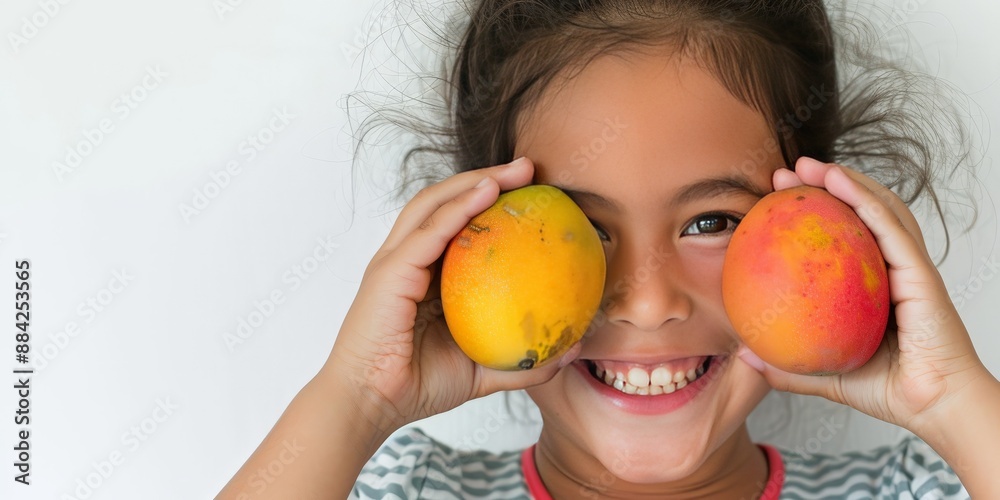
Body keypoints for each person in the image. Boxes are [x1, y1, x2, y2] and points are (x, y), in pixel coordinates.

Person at [218, 1, 997, 498]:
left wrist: (952, 400)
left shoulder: (919, 486)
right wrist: (356, 398)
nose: (647, 301)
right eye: (584, 233)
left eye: (711, 222)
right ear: (460, 247)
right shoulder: (408, 488)